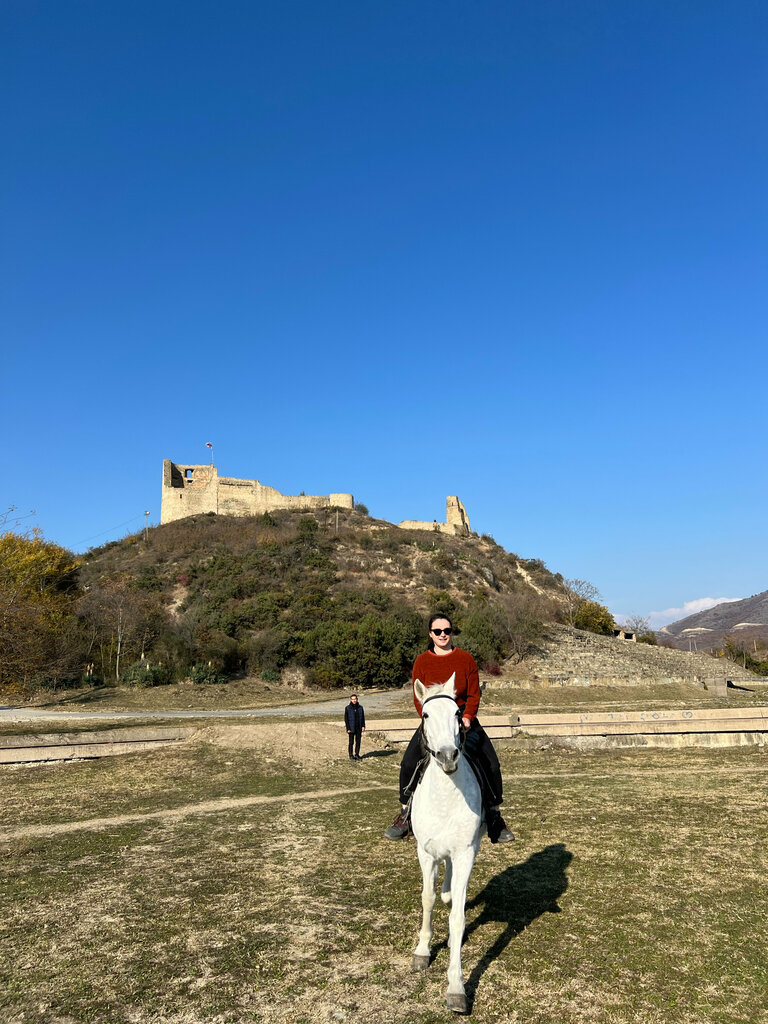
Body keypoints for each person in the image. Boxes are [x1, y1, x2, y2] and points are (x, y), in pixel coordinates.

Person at [384, 613, 514, 843]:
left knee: (491, 763)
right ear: (430, 634)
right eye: (437, 631)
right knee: (408, 762)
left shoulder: (466, 659)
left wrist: (467, 717)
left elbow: (474, 694)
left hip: (462, 718)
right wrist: (429, 720)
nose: (443, 634)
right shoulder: (422, 662)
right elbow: (418, 697)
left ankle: (494, 817)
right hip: (434, 721)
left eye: (447, 630)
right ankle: (406, 815)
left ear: (452, 633)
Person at [344, 693, 366, 760]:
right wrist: (348, 728)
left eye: (355, 699)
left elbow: (363, 717)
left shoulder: (360, 708)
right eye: (352, 699)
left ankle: (357, 754)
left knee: (358, 742)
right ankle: (351, 755)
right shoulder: (348, 708)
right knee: (351, 742)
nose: (354, 700)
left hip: (358, 727)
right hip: (351, 728)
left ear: (357, 699)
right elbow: (346, 719)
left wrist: (363, 726)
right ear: (350, 700)